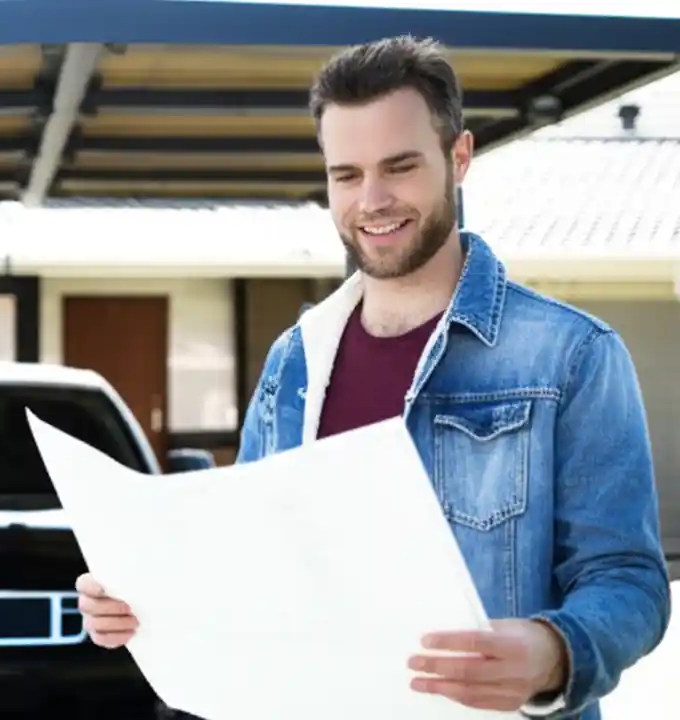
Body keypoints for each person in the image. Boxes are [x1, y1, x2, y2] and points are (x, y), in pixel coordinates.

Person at [75, 35, 670, 719]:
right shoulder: (293, 362)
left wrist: (554, 651)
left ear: (460, 157)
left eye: (400, 167)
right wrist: (144, 602)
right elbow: (249, 566)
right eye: (347, 175)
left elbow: (628, 579)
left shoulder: (571, 356)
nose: (373, 200)